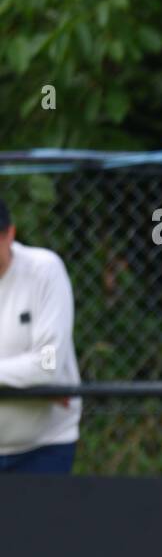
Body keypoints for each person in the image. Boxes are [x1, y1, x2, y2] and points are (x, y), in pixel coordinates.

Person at [0, 195, 82, 473]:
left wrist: (39, 378)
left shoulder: (44, 271)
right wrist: (29, 384)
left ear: (9, 233)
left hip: (44, 449)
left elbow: (47, 366)